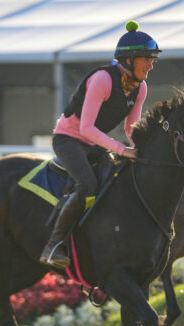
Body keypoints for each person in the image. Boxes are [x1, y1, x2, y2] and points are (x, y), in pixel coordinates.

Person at [39, 21, 160, 269]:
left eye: (152, 60)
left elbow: (130, 128)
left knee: (116, 179)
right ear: (129, 59)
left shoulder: (140, 87)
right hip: (69, 141)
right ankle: (53, 245)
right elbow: (86, 128)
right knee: (88, 184)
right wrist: (122, 149)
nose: (150, 65)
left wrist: (142, 149)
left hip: (92, 143)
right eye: (146, 59)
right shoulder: (102, 79)